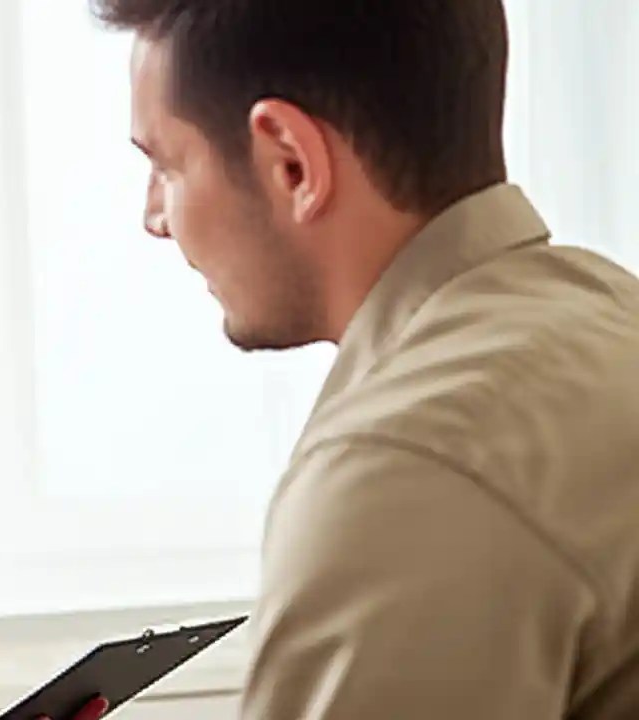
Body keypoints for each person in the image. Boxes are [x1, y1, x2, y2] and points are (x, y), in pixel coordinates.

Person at [92, 0, 639, 718]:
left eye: (166, 165)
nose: (154, 217)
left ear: (292, 162)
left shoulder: (409, 462)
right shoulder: (610, 317)